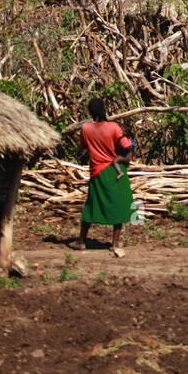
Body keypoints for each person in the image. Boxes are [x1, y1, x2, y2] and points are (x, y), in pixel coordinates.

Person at [74, 97, 135, 257]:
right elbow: (127, 145)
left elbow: (82, 147)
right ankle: (114, 243)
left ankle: (81, 241)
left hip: (97, 171)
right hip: (115, 170)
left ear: (90, 111)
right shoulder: (114, 127)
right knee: (119, 205)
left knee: (91, 205)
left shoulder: (85, 128)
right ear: (104, 109)